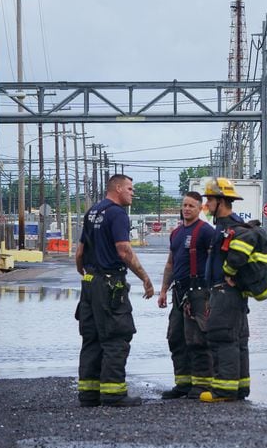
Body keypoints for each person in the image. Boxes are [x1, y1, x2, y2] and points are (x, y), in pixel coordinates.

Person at [74, 173, 154, 407]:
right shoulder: (118, 214)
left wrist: (86, 274)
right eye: (130, 188)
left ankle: (88, 394)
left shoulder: (92, 212)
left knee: (92, 338)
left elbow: (79, 252)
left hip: (90, 283)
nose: (132, 192)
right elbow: (124, 251)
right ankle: (113, 393)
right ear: (117, 189)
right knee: (116, 337)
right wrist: (145, 278)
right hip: (110, 284)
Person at [198, 178, 267, 402]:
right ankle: (240, 387)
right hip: (228, 294)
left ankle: (224, 390)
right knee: (237, 340)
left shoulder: (230, 227)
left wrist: (230, 271)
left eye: (210, 200)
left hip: (225, 293)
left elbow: (243, 247)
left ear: (221, 201)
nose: (207, 204)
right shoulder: (223, 227)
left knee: (222, 338)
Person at [157, 191, 218, 399]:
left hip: (199, 292)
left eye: (192, 205)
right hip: (179, 292)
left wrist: (213, 293)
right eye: (184, 205)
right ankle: (182, 383)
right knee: (176, 338)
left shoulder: (206, 231)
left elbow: (215, 262)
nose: (187, 209)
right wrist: (163, 290)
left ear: (200, 208)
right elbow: (170, 263)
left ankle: (202, 385)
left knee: (198, 339)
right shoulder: (176, 233)